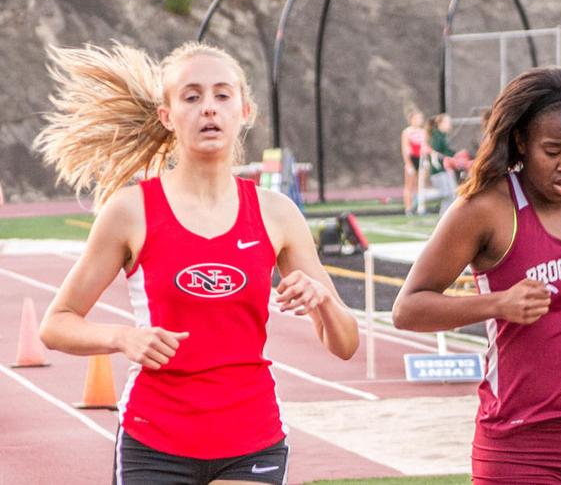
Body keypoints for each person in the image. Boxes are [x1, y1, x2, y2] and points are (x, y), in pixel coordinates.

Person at [34, 42, 359, 484]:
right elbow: (56, 324)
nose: (209, 109)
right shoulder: (131, 210)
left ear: (245, 110)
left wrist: (323, 300)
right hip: (155, 441)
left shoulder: (276, 213)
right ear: (167, 115)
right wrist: (123, 337)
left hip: (252, 439)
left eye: (222, 95)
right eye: (191, 97)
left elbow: (344, 345)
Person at [393, 67, 561, 485]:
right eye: (554, 150)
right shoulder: (484, 210)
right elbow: (408, 309)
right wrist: (498, 303)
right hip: (518, 439)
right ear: (521, 140)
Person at [426, 114, 461, 216]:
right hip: (439, 170)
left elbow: (446, 152)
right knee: (446, 194)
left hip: (445, 169)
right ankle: (422, 196)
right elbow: (435, 154)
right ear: (440, 124)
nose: (450, 124)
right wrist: (448, 160)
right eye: (447, 122)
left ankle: (444, 218)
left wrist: (456, 155)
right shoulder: (436, 136)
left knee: (451, 196)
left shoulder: (443, 136)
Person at [400, 110, 426, 215]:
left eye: (420, 118)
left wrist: (425, 161)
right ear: (411, 119)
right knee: (409, 185)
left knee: (420, 185)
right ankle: (408, 208)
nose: (418, 120)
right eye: (416, 118)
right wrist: (408, 164)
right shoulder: (407, 132)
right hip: (411, 159)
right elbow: (405, 148)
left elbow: (425, 147)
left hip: (420, 160)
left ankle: (420, 207)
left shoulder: (423, 132)